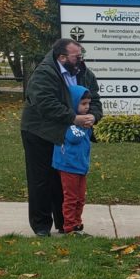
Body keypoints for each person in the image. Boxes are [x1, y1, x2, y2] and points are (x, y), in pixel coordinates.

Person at [20, 37, 102, 236]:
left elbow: (95, 99)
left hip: (66, 134)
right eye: (76, 57)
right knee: (41, 179)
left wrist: (94, 115)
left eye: (81, 56)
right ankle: (41, 226)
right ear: (62, 57)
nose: (80, 60)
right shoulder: (44, 73)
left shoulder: (83, 72)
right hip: (39, 131)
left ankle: (67, 225)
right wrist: (74, 118)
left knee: (64, 179)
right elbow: (45, 103)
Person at [51, 86, 93, 235]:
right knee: (71, 197)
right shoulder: (67, 121)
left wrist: (87, 125)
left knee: (80, 197)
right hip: (69, 166)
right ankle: (69, 226)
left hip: (81, 165)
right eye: (83, 103)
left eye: (88, 103)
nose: (87, 107)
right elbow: (73, 137)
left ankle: (77, 222)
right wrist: (84, 125)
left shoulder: (84, 122)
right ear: (73, 102)